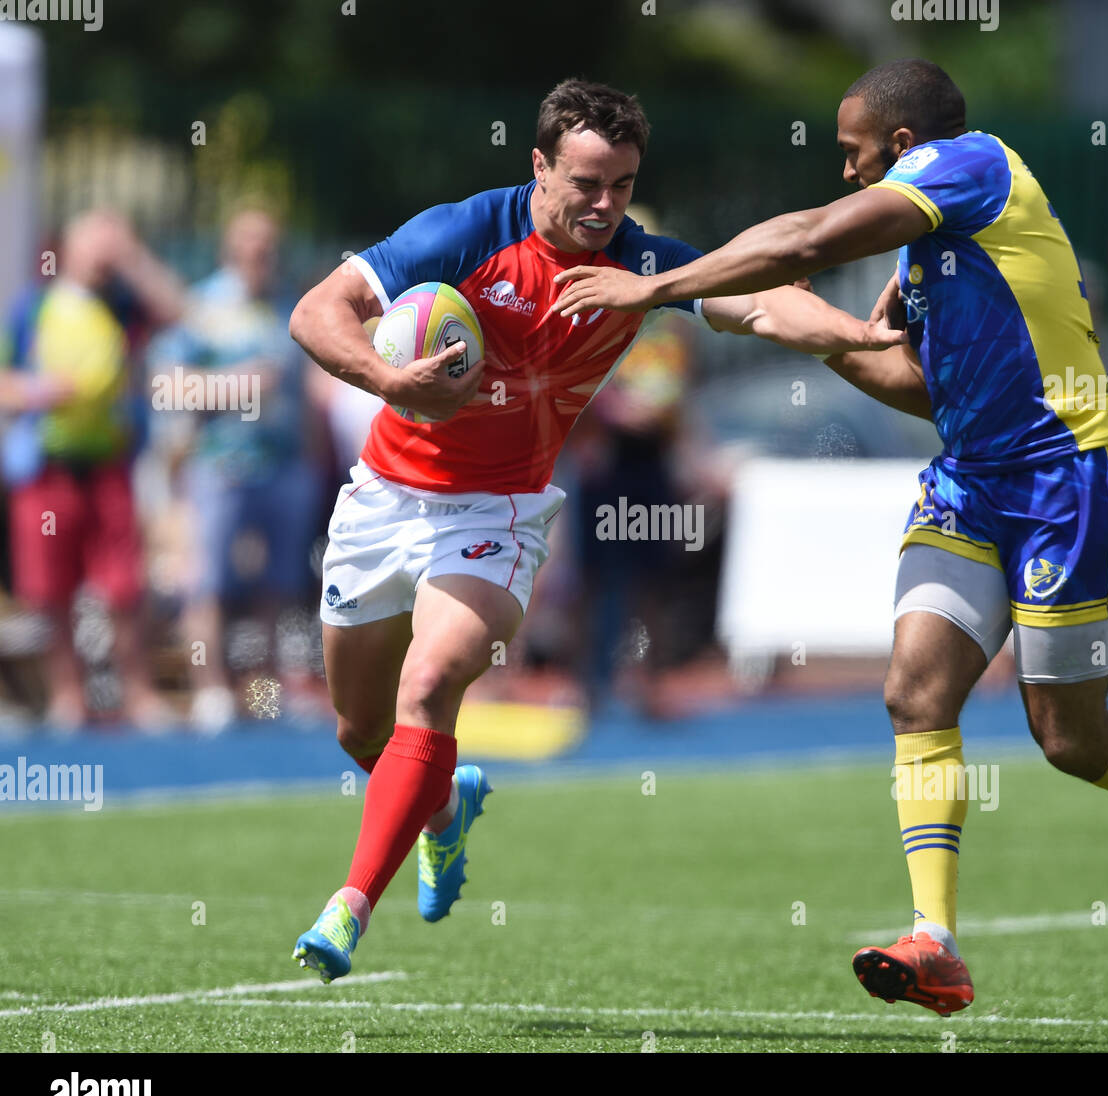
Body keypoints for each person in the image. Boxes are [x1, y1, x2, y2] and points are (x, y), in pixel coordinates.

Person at [553, 59, 1108, 1015]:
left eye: (855, 153)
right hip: (972, 484)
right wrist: (822, 335)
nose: (849, 173)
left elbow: (806, 236)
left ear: (904, 147)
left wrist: (656, 286)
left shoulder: (973, 166)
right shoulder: (924, 254)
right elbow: (917, 385)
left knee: (1069, 736)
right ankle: (935, 941)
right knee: (915, 692)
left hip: (1072, 478)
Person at [286, 78, 893, 981]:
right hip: (383, 498)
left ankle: (347, 909)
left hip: (499, 513)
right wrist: (392, 382)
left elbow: (761, 302)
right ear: (538, 166)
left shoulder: (641, 264)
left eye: (623, 184)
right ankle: (445, 806)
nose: (607, 205)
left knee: (432, 683)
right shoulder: (463, 233)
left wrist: (860, 332)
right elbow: (315, 313)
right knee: (357, 730)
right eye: (585, 183)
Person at [0, 209, 184, 730]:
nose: (103, 252)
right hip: (47, 468)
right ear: (68, 247)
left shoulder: (125, 304)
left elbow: (176, 309)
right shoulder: (33, 309)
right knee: (50, 590)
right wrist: (39, 392)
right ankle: (68, 699)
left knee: (124, 586)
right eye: (95, 241)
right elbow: (4, 381)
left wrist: (132, 257)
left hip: (111, 464)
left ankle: (140, 695)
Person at [147, 207, 322, 731]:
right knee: (209, 585)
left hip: (285, 467)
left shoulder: (291, 305)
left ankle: (264, 695)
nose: (259, 256)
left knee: (279, 586)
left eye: (267, 247)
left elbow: (306, 395)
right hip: (219, 466)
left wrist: (313, 461)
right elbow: (165, 388)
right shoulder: (203, 308)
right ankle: (213, 694)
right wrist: (237, 383)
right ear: (230, 249)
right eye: (249, 246)